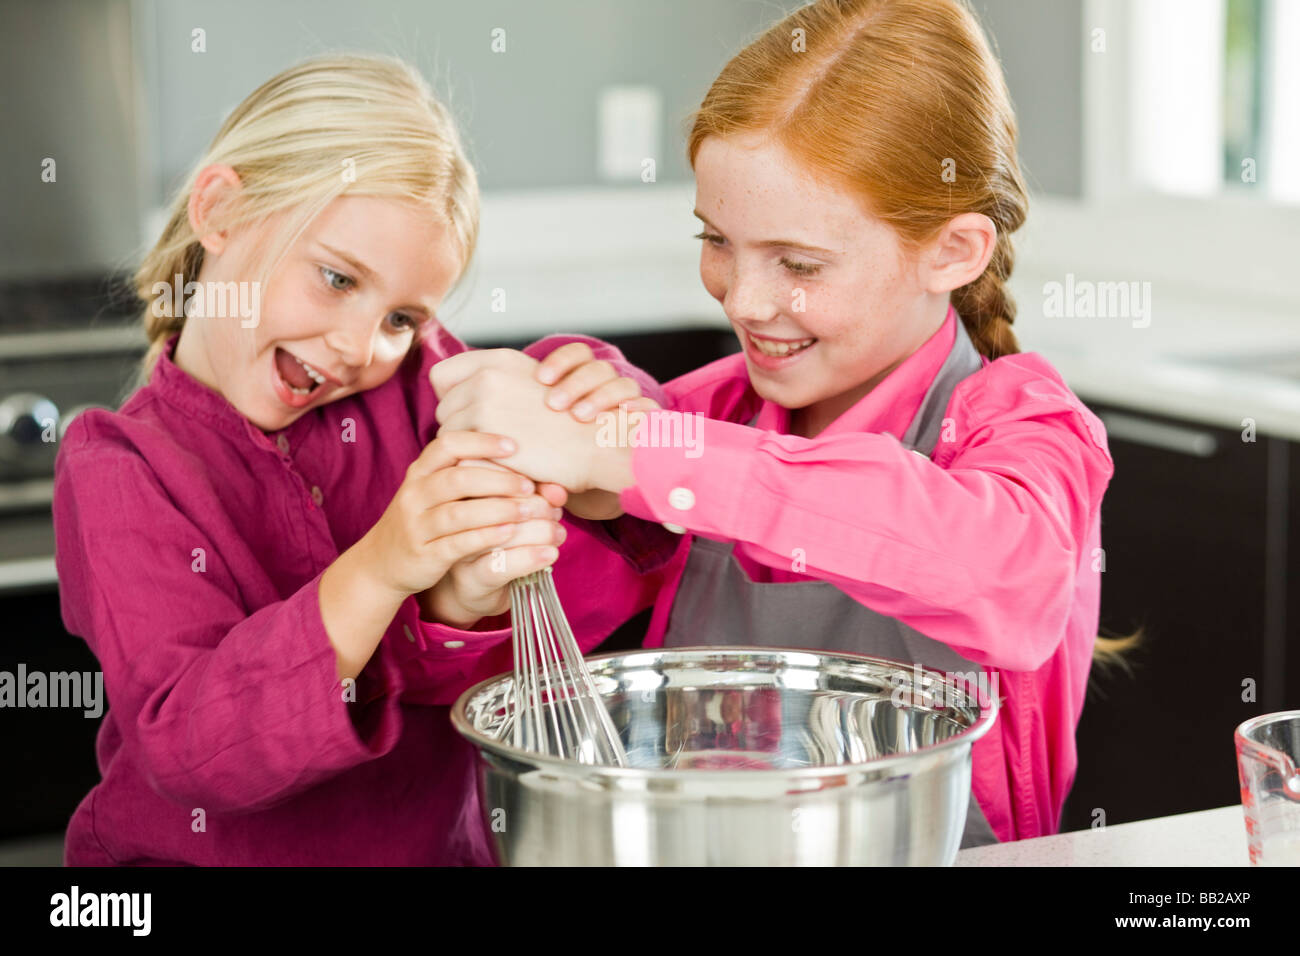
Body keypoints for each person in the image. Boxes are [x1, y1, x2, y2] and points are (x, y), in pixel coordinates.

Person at [432, 0, 1133, 846]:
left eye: (799, 263)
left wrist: (635, 452)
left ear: (952, 250)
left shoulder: (1023, 426)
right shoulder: (697, 417)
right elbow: (516, 655)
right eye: (717, 239)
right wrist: (475, 586)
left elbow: (1004, 578)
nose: (744, 298)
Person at [53, 53, 670, 866]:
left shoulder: (417, 389)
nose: (357, 347)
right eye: (337, 278)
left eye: (402, 317)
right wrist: (383, 567)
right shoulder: (121, 466)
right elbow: (193, 746)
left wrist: (592, 413)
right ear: (221, 210)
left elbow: (592, 489)